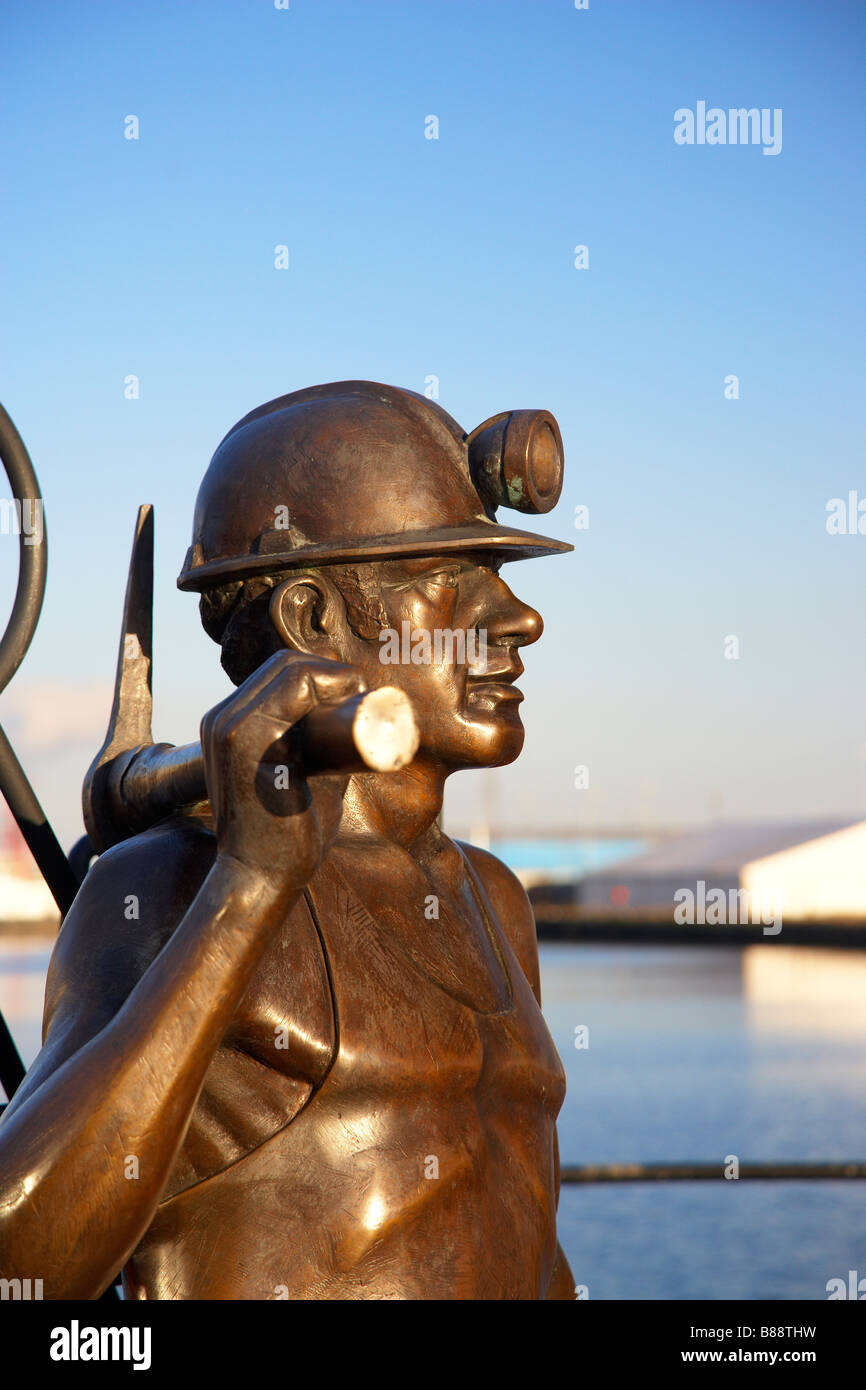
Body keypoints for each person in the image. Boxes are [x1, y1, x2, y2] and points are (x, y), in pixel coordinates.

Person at [0, 381, 575, 1299]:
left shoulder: (494, 903)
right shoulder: (169, 886)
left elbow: (523, 1224)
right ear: (312, 624)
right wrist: (250, 888)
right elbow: (19, 1258)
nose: (518, 619)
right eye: (447, 583)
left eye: (498, 578)